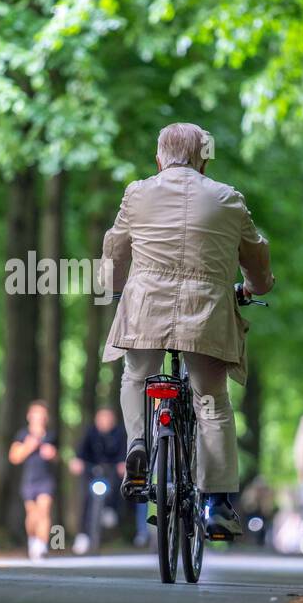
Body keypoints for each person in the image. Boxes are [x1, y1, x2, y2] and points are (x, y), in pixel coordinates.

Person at [100, 122, 274, 540]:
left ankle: (138, 446)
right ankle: (217, 504)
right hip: (207, 314)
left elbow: (115, 251)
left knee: (136, 376)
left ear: (159, 159)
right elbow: (256, 258)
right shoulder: (228, 199)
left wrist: (114, 284)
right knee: (212, 401)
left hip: (145, 309)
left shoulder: (137, 193)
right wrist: (256, 287)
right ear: (204, 158)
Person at [69, 406, 132, 553]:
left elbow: (124, 452)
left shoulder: (120, 433)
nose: (105, 422)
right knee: (84, 497)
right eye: (102, 418)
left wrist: (123, 464)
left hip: (111, 470)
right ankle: (83, 535)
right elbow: (80, 452)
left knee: (118, 487)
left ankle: (111, 509)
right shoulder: (89, 432)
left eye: (108, 419)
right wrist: (77, 461)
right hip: (91, 471)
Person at [10, 401, 59, 561]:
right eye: (36, 414)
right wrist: (29, 446)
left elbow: (58, 458)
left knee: (44, 511)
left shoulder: (51, 435)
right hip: (29, 480)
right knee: (32, 515)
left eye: (42, 415)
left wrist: (53, 455)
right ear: (29, 416)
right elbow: (14, 457)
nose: (39, 418)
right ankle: (33, 540)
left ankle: (42, 545)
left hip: (46, 479)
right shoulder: (22, 435)